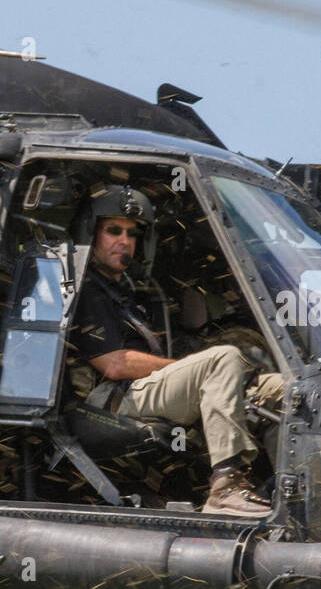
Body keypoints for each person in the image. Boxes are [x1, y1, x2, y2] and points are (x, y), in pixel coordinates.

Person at [67, 186, 284, 518]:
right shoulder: (87, 290)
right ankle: (226, 488)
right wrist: (190, 369)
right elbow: (114, 364)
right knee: (222, 359)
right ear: (91, 234)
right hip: (114, 397)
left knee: (287, 390)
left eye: (131, 234)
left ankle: (292, 490)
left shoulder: (128, 295)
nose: (124, 241)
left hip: (145, 389)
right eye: (113, 230)